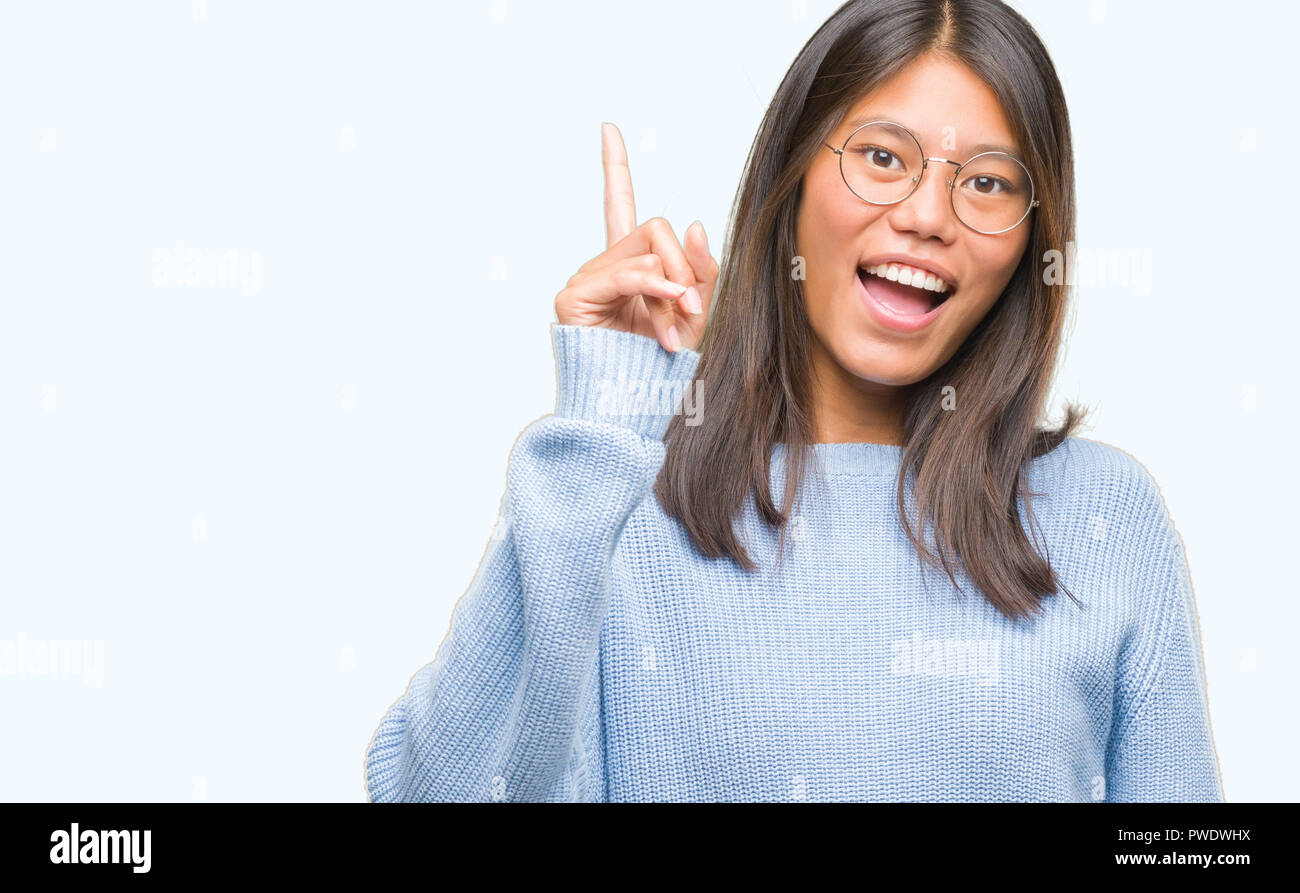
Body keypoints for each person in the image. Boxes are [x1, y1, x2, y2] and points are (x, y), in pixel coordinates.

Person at [363, 0, 1224, 802]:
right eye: (883, 157)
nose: (929, 214)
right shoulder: (618, 500)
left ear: (1034, 236)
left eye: (988, 183)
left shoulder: (1109, 516)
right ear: (793, 177)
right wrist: (601, 422)